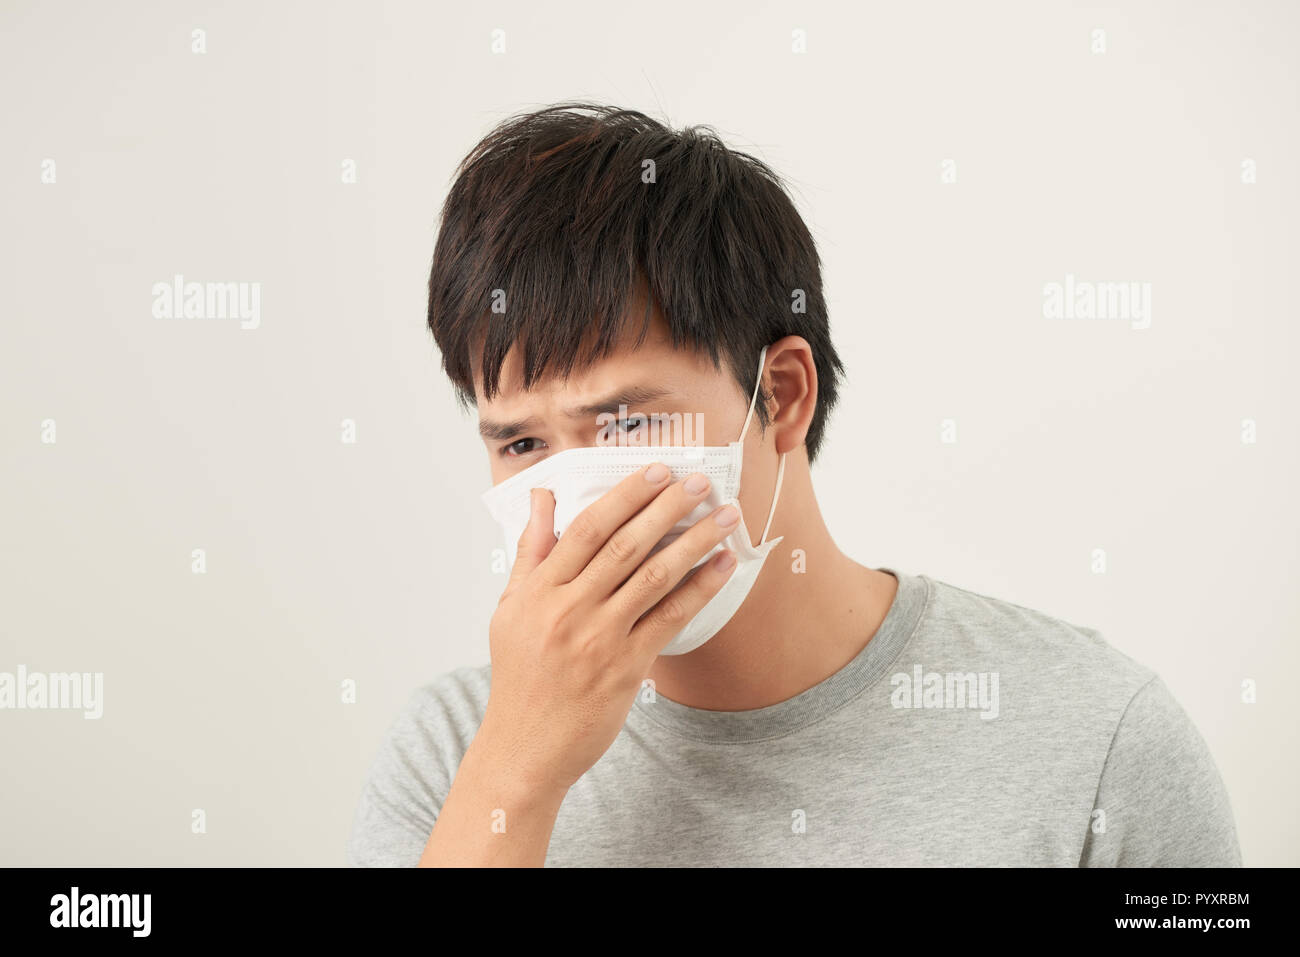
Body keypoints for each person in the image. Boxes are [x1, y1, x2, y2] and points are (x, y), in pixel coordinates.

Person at [346, 103, 1241, 867]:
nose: (575, 491)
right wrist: (516, 771)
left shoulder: (1096, 735)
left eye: (623, 424)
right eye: (522, 441)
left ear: (780, 395)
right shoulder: (449, 753)